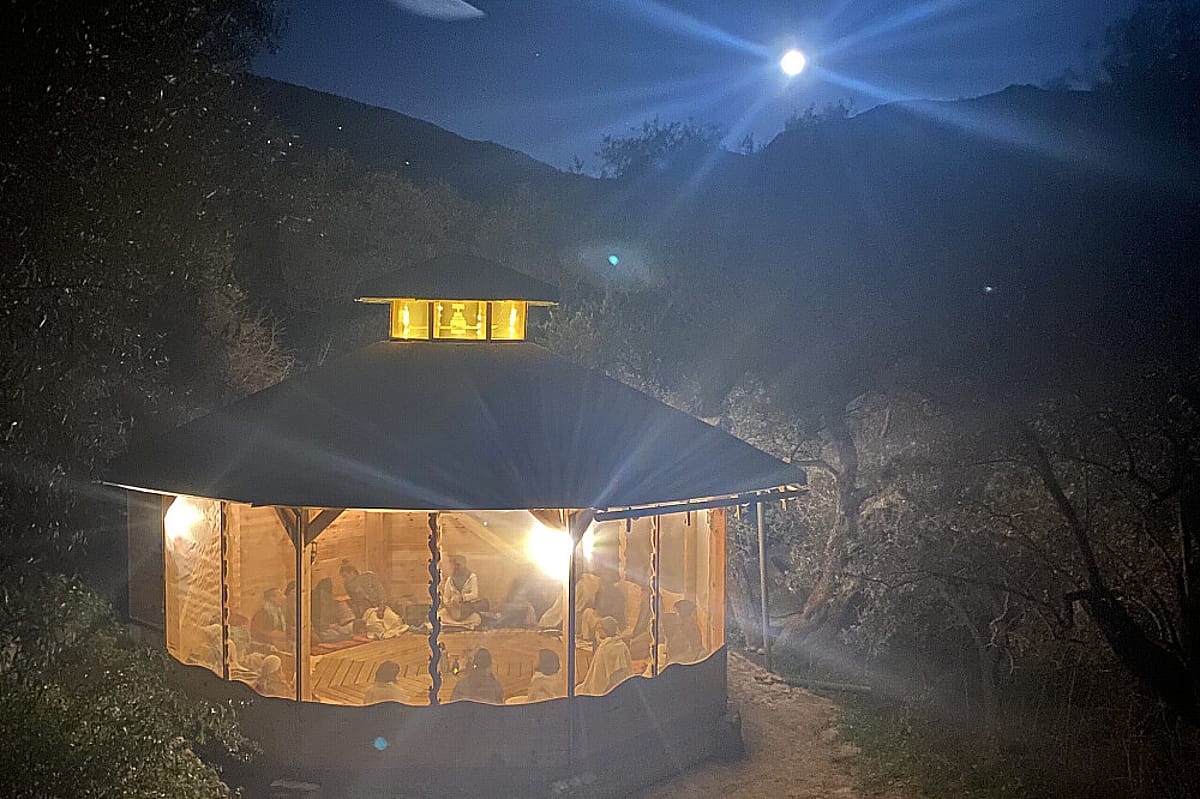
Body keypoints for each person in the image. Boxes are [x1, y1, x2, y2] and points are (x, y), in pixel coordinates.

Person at [579, 617, 632, 696]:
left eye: (600, 629)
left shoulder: (605, 648)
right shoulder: (621, 644)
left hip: (607, 687)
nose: (598, 631)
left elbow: (600, 675)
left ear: (607, 630)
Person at [440, 555, 488, 628]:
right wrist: (449, 604)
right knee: (440, 615)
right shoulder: (450, 579)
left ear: (464, 564)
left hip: (467, 608)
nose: (456, 567)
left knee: (476, 618)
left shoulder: (472, 577)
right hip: (453, 609)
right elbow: (446, 596)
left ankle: (457, 624)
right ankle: (460, 624)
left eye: (458, 565)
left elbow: (474, 594)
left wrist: (462, 598)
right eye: (455, 565)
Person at [312, 577, 356, 643]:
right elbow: (315, 621)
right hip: (322, 629)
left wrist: (336, 625)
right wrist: (328, 626)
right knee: (334, 635)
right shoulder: (315, 603)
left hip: (335, 626)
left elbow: (338, 617)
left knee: (348, 630)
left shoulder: (332, 601)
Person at [663, 599, 705, 664]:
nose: (675, 615)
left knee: (671, 664)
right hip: (686, 653)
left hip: (691, 655)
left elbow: (681, 644)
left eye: (677, 612)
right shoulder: (683, 623)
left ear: (683, 613)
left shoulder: (688, 625)